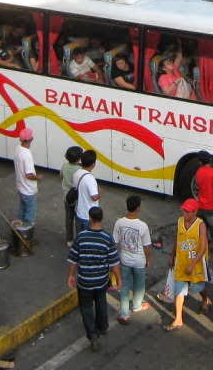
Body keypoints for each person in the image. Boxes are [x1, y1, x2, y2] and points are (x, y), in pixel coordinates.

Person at [67, 206, 121, 353]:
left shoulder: (81, 236)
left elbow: (73, 259)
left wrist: (71, 275)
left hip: (84, 281)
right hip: (101, 280)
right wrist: (119, 280)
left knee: (86, 308)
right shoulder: (107, 238)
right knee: (101, 302)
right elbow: (114, 262)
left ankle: (92, 335)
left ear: (90, 218)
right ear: (101, 218)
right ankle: (102, 327)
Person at [164, 198, 211, 330]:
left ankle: (205, 299)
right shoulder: (180, 222)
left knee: (199, 287)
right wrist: (172, 255)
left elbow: (203, 247)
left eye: (188, 211)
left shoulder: (201, 225)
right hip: (181, 262)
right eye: (184, 211)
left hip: (196, 264)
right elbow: (177, 239)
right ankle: (178, 318)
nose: (185, 213)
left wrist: (193, 264)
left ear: (195, 211)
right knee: (178, 290)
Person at [113, 194, 152, 325]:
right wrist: (148, 259)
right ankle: (137, 306)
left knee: (124, 286)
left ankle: (124, 314)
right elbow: (147, 247)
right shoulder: (143, 226)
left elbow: (115, 242)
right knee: (139, 285)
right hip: (139, 261)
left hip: (124, 260)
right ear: (138, 208)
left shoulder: (119, 222)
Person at [194, 151, 213, 253]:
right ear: (210, 160)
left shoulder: (198, 172)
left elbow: (198, 187)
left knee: (204, 228)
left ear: (200, 162)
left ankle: (205, 246)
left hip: (201, 206)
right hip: (212, 207)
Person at [14, 127, 39, 225]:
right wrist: (38, 178)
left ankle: (18, 229)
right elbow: (29, 174)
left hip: (20, 187)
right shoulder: (26, 154)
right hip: (28, 190)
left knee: (22, 211)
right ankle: (26, 235)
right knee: (29, 216)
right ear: (30, 139)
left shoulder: (18, 149)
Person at [60, 146, 84, 246]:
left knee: (69, 219)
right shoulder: (80, 169)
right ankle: (79, 241)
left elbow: (61, 176)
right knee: (78, 220)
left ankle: (69, 240)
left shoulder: (64, 166)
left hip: (66, 197)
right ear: (79, 158)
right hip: (77, 199)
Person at [74, 149, 101, 232]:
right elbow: (94, 197)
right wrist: (100, 192)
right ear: (93, 164)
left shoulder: (77, 173)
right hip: (88, 215)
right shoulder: (90, 179)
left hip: (79, 212)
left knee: (80, 236)